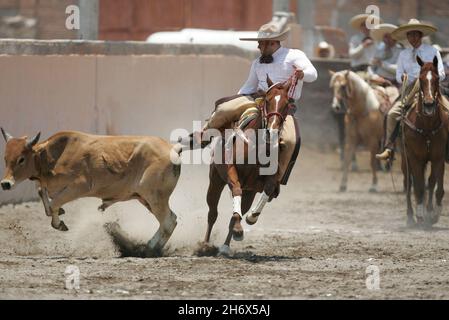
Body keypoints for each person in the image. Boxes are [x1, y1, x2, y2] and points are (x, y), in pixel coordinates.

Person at [186, 22, 318, 185]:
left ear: (272, 43)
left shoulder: (294, 55)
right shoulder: (257, 63)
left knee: (291, 140)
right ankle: (203, 135)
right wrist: (236, 99)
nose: (258, 46)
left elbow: (313, 74)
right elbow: (249, 86)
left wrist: (302, 73)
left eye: (261, 43)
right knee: (226, 108)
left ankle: (277, 178)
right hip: (257, 102)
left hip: (282, 108)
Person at [376, 19, 447, 161]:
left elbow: (442, 72)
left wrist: (430, 76)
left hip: (430, 87)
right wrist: (403, 77)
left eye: (416, 35)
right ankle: (389, 148)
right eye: (410, 35)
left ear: (421, 35)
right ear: (407, 37)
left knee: (448, 111)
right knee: (391, 115)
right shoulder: (403, 54)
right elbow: (398, 74)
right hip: (409, 89)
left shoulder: (432, 51)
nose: (413, 38)